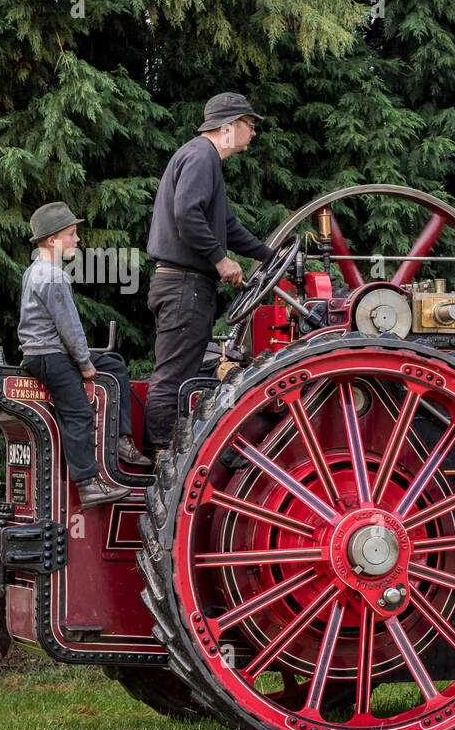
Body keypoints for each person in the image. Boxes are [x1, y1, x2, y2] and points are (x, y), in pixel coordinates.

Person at [143, 92, 274, 455]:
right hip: (186, 285)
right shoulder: (202, 156)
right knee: (174, 377)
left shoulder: (202, 159)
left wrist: (270, 255)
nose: (253, 133)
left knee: (180, 374)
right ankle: (161, 459)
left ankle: (165, 459)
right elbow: (187, 216)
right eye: (249, 126)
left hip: (184, 285)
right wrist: (221, 260)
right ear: (228, 127)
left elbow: (227, 226)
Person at [18, 202, 151, 509]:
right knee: (77, 413)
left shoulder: (33, 271)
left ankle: (120, 440)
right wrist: (85, 364)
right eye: (71, 234)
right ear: (52, 240)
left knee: (115, 365)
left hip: (43, 352)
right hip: (52, 355)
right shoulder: (53, 277)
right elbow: (69, 328)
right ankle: (89, 485)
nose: (77, 241)